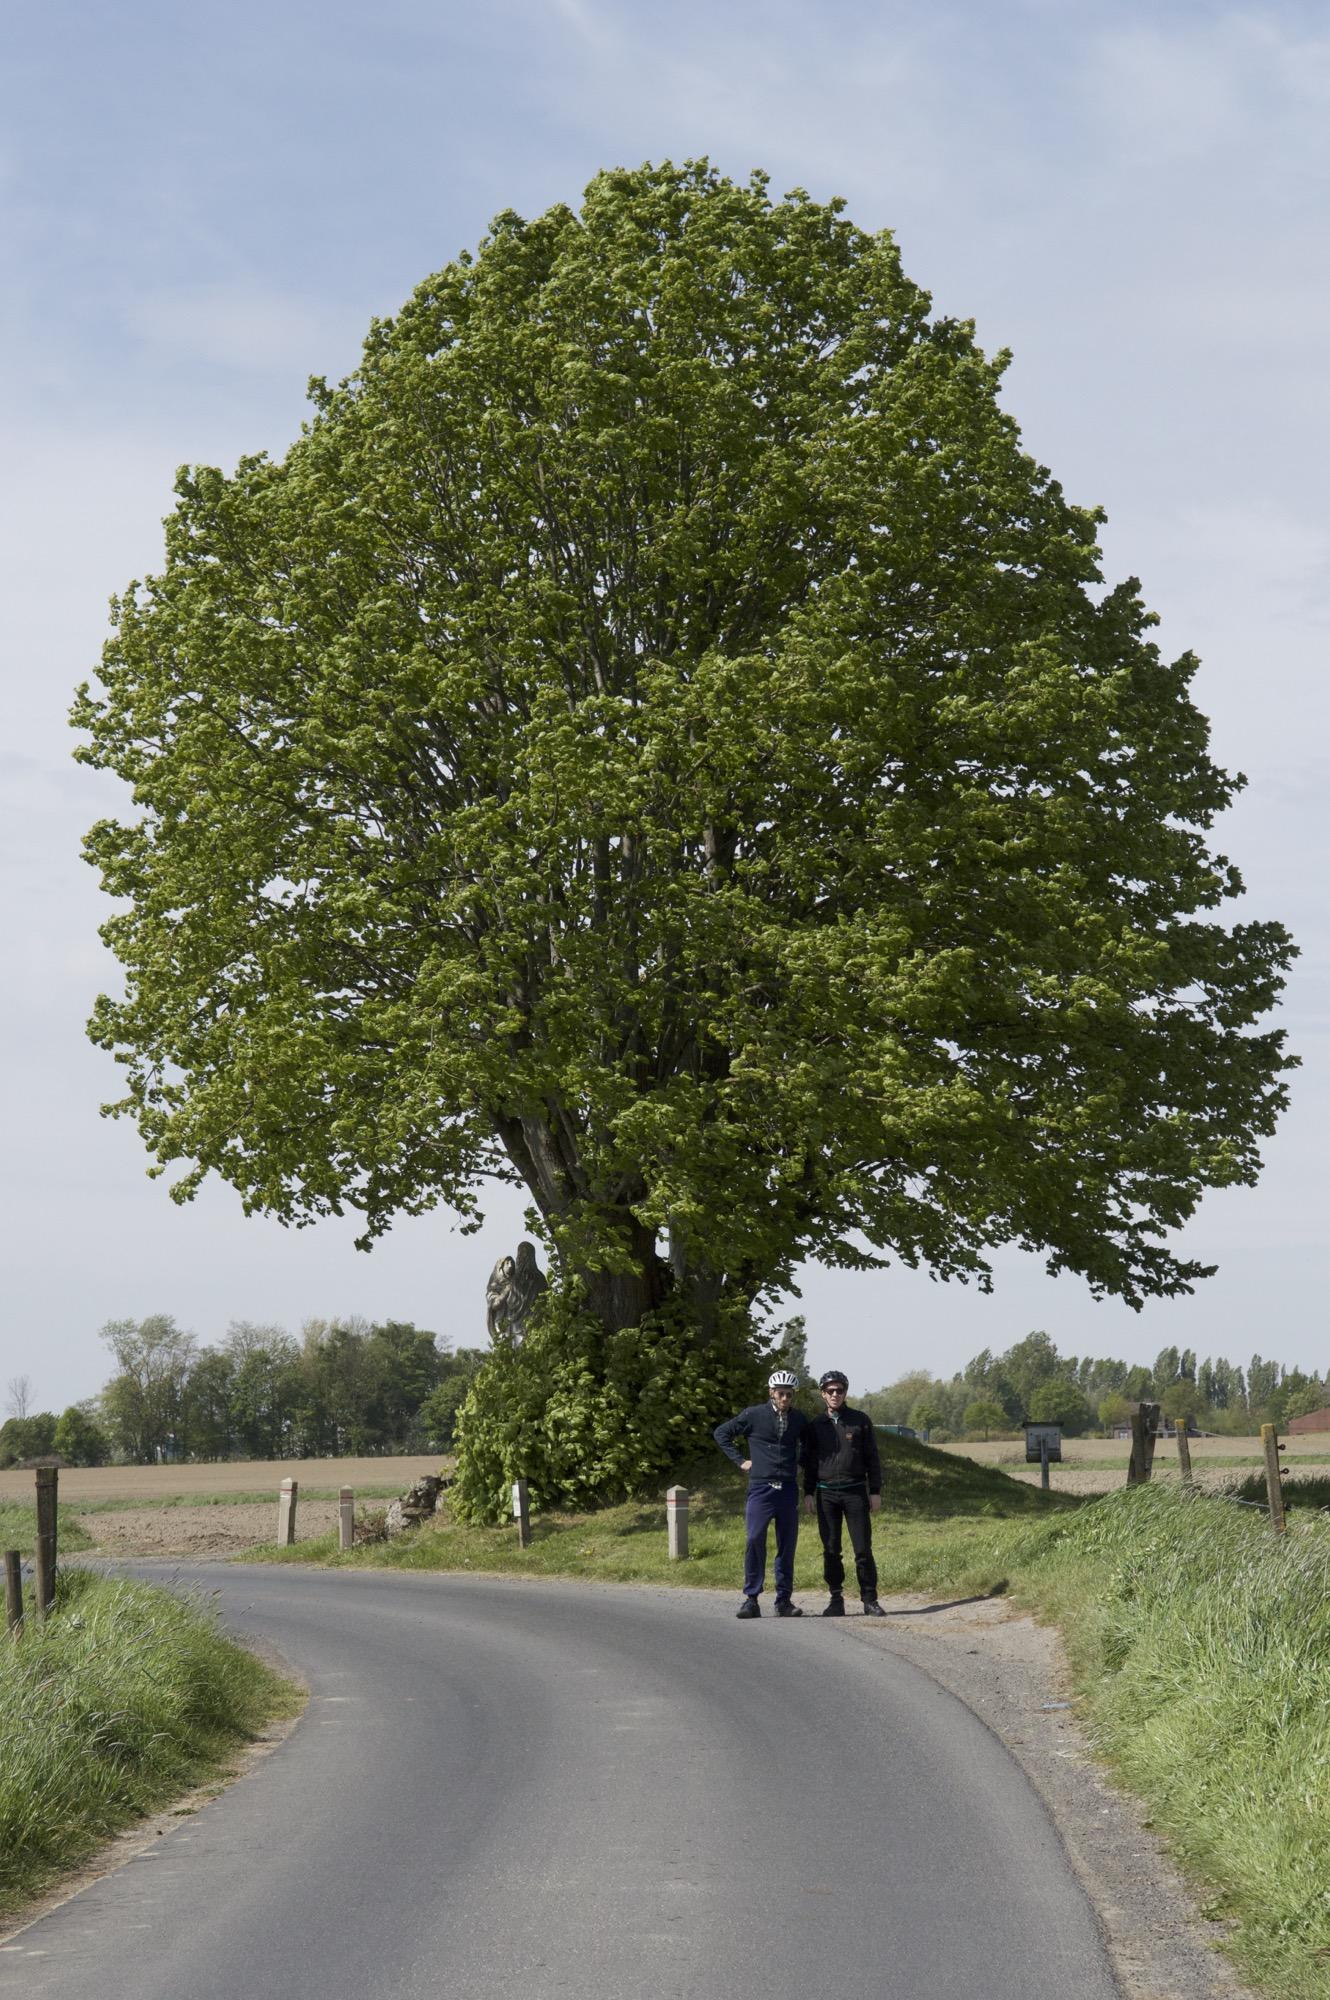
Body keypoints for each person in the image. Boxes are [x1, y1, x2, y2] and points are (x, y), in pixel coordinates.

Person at [714, 1370, 811, 1619]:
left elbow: (810, 1443)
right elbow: (722, 1433)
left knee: (787, 1544)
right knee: (755, 1539)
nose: (785, 1398)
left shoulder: (799, 1419)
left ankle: (784, 1601)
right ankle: (751, 1599)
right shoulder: (754, 1415)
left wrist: (800, 1463)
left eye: (789, 1394)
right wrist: (741, 1461)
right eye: (780, 1393)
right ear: (771, 1392)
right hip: (760, 1488)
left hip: (788, 1489)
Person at [802, 1370, 885, 1616]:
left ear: (845, 1392)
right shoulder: (816, 1425)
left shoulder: (860, 1420)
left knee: (862, 1549)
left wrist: (875, 1491)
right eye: (830, 1391)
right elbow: (809, 1461)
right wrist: (808, 1492)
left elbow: (872, 1457)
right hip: (826, 1494)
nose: (835, 1394)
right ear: (823, 1394)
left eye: (839, 1390)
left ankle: (870, 1599)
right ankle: (836, 1598)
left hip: (855, 1492)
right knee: (830, 1549)